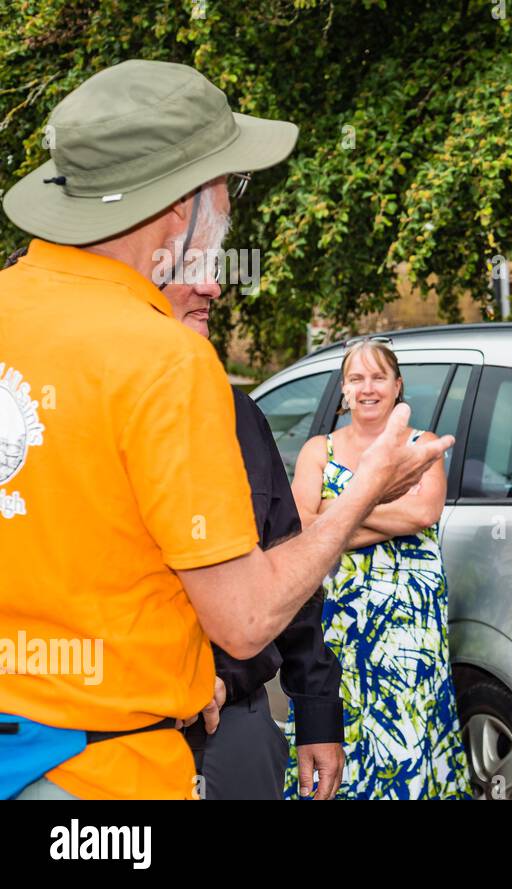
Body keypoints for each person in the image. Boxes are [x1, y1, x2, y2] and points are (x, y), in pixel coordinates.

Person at [0, 60, 447, 800]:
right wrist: (363, 491)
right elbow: (243, 619)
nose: (227, 216)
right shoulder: (163, 357)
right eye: (227, 189)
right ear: (182, 207)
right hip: (103, 782)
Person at [159, 275, 345, 801]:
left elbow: (286, 561)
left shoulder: (237, 414)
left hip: (235, 724)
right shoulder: (68, 414)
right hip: (111, 731)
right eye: (181, 270)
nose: (212, 287)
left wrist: (315, 712)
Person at [287, 339, 470, 799]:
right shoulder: (318, 450)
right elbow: (301, 525)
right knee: (336, 729)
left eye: (377, 377)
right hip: (337, 619)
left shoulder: (420, 445)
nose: (367, 388)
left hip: (407, 619)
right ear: (345, 390)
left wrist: (339, 509)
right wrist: (381, 508)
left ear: (397, 385)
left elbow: (422, 513)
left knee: (402, 728)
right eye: (356, 378)